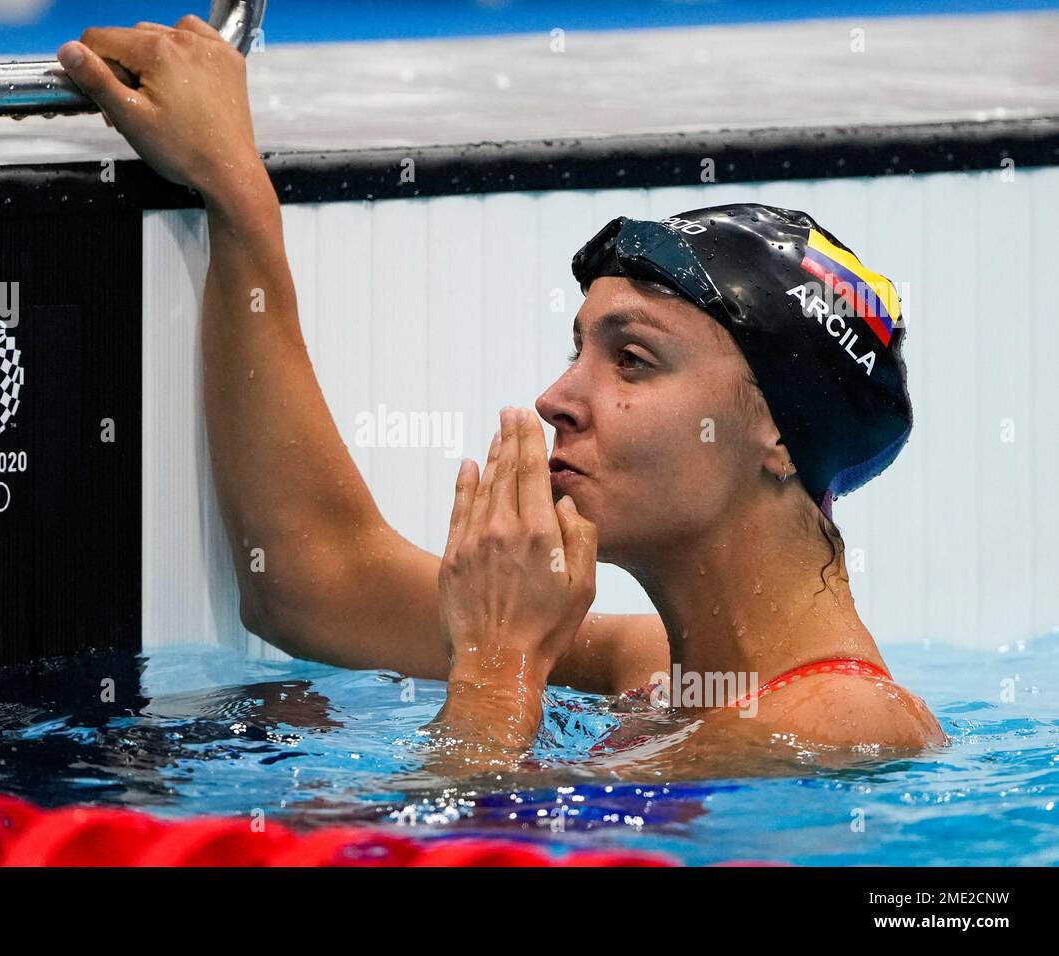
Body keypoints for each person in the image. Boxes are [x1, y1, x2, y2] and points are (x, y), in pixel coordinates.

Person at [55, 17, 947, 777]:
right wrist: (237, 192)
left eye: (632, 360)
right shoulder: (659, 668)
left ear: (779, 433)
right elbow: (312, 582)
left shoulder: (839, 726)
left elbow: (445, 852)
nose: (558, 397)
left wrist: (496, 666)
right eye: (577, 351)